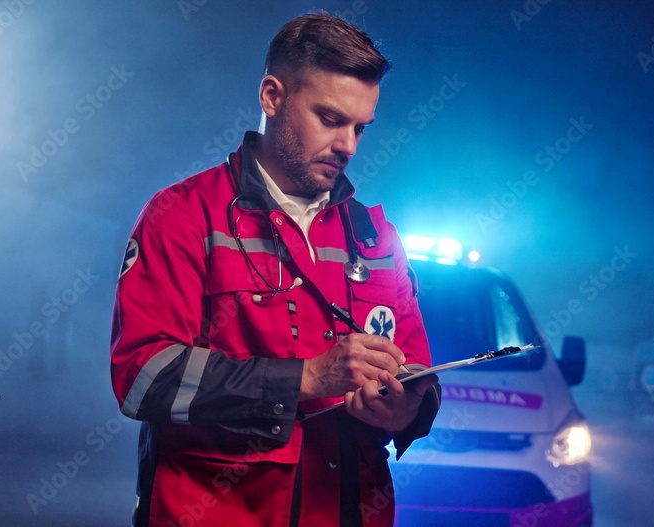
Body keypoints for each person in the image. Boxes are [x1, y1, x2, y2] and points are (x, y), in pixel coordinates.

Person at [110, 12, 440, 527]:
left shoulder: (377, 238)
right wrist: (306, 376)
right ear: (272, 96)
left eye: (360, 128)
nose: (349, 146)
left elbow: (418, 370)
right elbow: (142, 376)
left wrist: (406, 412)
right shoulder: (182, 215)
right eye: (330, 119)